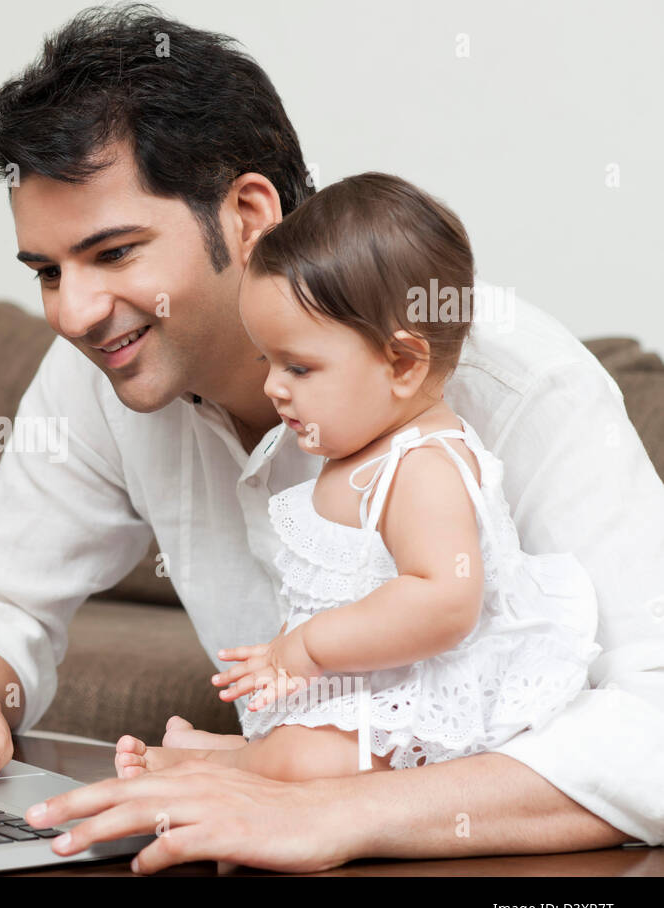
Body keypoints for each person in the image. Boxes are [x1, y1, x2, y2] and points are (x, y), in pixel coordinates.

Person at [0, 4, 664, 873]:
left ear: (249, 213)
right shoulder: (101, 371)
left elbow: (655, 720)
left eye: (114, 252)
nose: (70, 312)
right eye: (47, 271)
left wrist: (335, 811)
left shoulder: (509, 382)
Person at [113, 172, 602, 783]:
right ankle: (231, 756)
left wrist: (309, 648)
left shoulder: (423, 464)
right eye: (268, 360)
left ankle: (223, 772)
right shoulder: (360, 448)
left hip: (426, 702)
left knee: (306, 759)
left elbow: (445, 600)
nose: (272, 387)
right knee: (299, 743)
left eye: (299, 366)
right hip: (361, 695)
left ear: (401, 363)